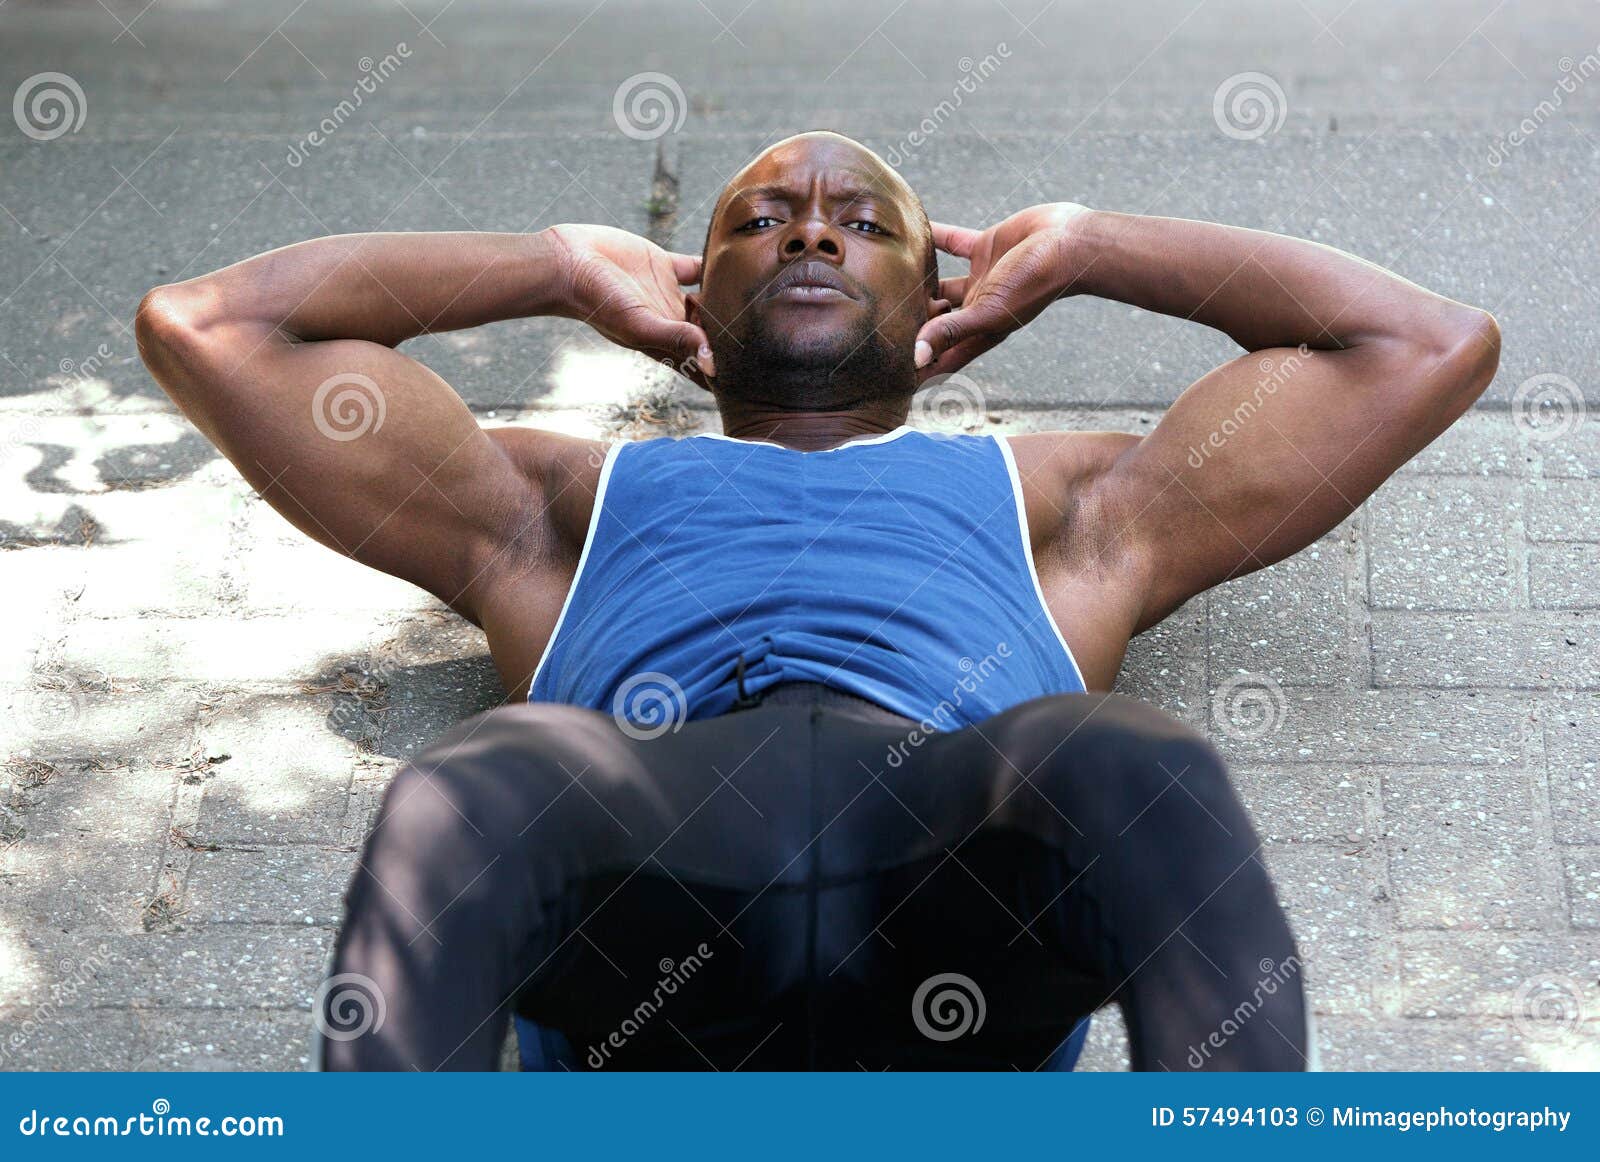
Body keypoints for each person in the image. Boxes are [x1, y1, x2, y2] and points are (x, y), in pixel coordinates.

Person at [134, 130, 1500, 1070]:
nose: (809, 230)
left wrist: (1092, 243)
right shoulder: (560, 504)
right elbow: (212, 328)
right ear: (690, 295)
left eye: (864, 224)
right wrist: (552, 261)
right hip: (651, 901)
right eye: (759, 219)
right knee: (479, 779)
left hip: (953, 897)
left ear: (938, 307)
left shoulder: (1062, 505)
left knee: (1132, 763)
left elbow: (1419, 346)